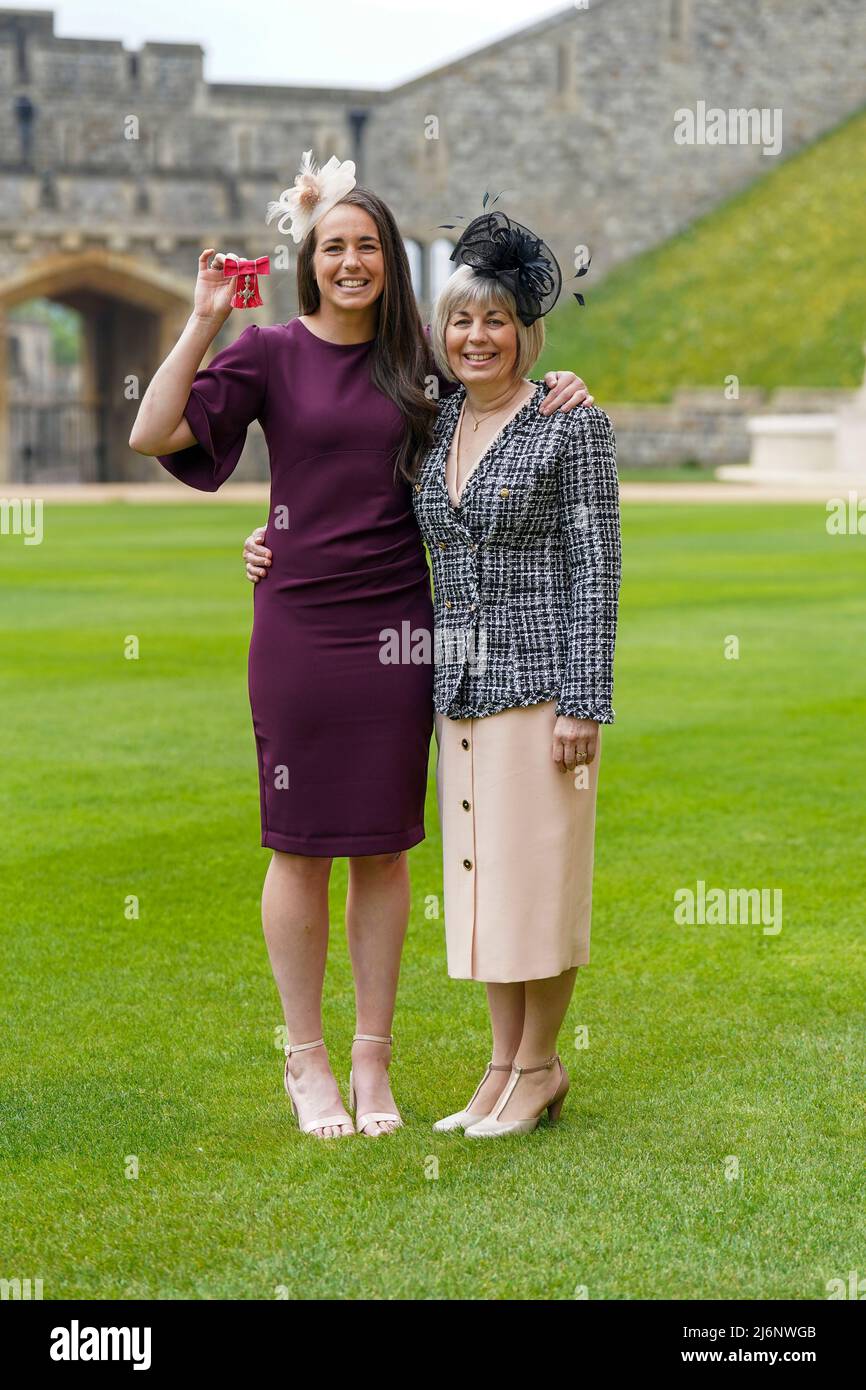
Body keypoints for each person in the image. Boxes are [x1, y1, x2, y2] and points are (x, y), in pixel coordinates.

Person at [132, 152, 594, 1140]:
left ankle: (372, 1064)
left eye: (367, 246)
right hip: (298, 632)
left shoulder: (415, 362)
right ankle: (305, 1062)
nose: (350, 261)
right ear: (310, 259)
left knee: (383, 852)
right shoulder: (264, 353)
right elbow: (151, 431)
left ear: (389, 260)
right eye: (334, 246)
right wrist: (206, 315)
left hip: (399, 634)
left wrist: (561, 380)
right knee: (297, 851)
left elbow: (495, 370)